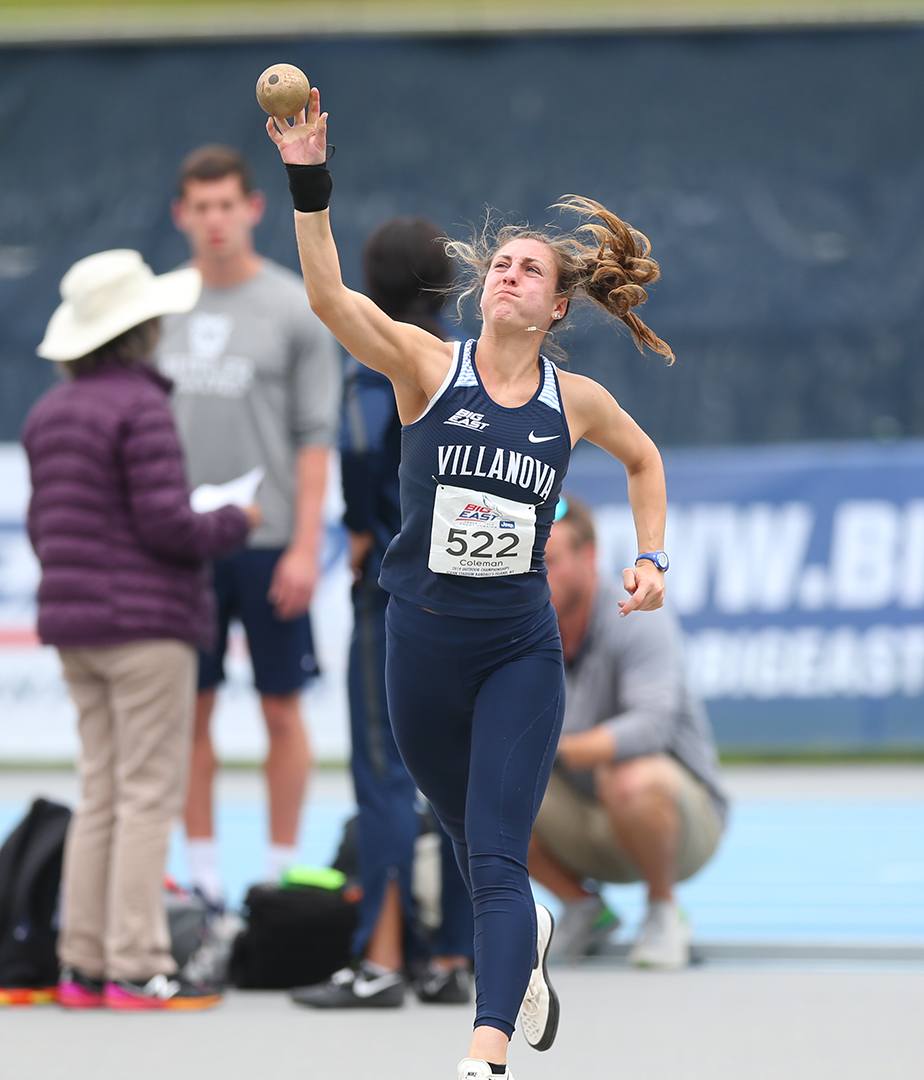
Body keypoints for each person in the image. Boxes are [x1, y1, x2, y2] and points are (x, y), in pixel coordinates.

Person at [268, 90, 675, 1080]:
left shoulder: (573, 402)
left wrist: (652, 557)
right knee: (463, 839)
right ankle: (524, 940)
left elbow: (646, 461)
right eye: (500, 263)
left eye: (530, 269)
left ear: (555, 307)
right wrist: (307, 180)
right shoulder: (425, 368)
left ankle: (485, 1055)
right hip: (419, 646)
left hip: (515, 652)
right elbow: (327, 299)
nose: (508, 274)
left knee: (495, 853)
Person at [24, 249, 256, 1010]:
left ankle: (83, 963)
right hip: (147, 625)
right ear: (140, 328)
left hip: (75, 624)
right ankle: (136, 962)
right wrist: (234, 518)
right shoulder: (141, 406)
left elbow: (49, 527)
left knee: (100, 791)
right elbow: (166, 524)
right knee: (148, 794)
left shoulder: (50, 412)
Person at [292, 217, 476, 1010]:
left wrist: (364, 524)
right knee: (463, 784)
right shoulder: (474, 364)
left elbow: (366, 446)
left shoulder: (379, 363)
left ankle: (385, 957)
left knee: (384, 774)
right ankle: (461, 960)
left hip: (396, 592)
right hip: (475, 592)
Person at [158, 145, 342, 904]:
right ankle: (202, 876)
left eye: (227, 204)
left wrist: (305, 546)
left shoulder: (294, 306)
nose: (214, 220)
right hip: (180, 548)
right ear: (181, 216)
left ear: (254, 208)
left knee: (279, 709)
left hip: (267, 545)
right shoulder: (157, 305)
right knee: (189, 711)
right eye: (200, 207)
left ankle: (276, 872)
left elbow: (314, 437)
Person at [529, 495, 727, 970]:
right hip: (581, 817)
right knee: (469, 781)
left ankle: (664, 910)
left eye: (550, 561)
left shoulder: (639, 612)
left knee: (626, 772)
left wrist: (561, 750)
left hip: (676, 818)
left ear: (589, 556)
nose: (538, 575)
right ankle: (582, 907)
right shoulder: (523, 622)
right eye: (532, 564)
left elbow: (652, 725)